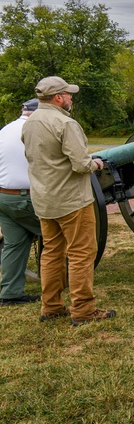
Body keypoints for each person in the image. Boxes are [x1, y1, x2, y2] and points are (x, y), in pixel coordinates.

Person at [21, 77, 114, 325]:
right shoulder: (65, 123)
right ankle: (83, 310)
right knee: (82, 253)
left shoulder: (30, 123)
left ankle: (51, 306)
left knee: (51, 252)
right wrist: (96, 163)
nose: (71, 98)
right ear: (58, 98)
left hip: (44, 199)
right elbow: (81, 165)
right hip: (71, 200)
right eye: (68, 94)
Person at [0, 98, 42, 305]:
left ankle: (10, 293)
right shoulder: (35, 130)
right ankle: (56, 286)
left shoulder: (5, 130)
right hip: (25, 197)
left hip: (4, 196)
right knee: (58, 234)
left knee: (14, 244)